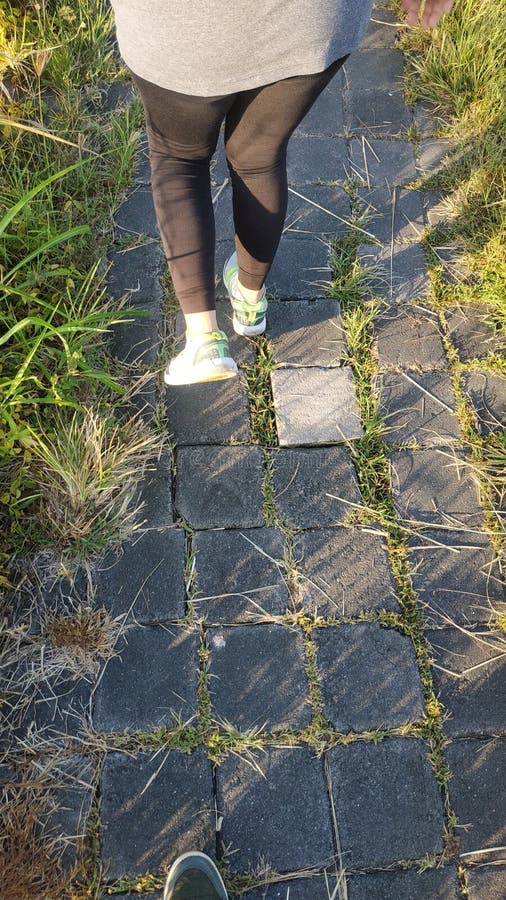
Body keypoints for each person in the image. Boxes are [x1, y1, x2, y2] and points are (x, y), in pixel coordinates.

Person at [108, 0, 454, 387]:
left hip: (180, 30)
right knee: (258, 156)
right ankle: (250, 298)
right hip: (310, 22)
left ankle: (204, 342)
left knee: (180, 158)